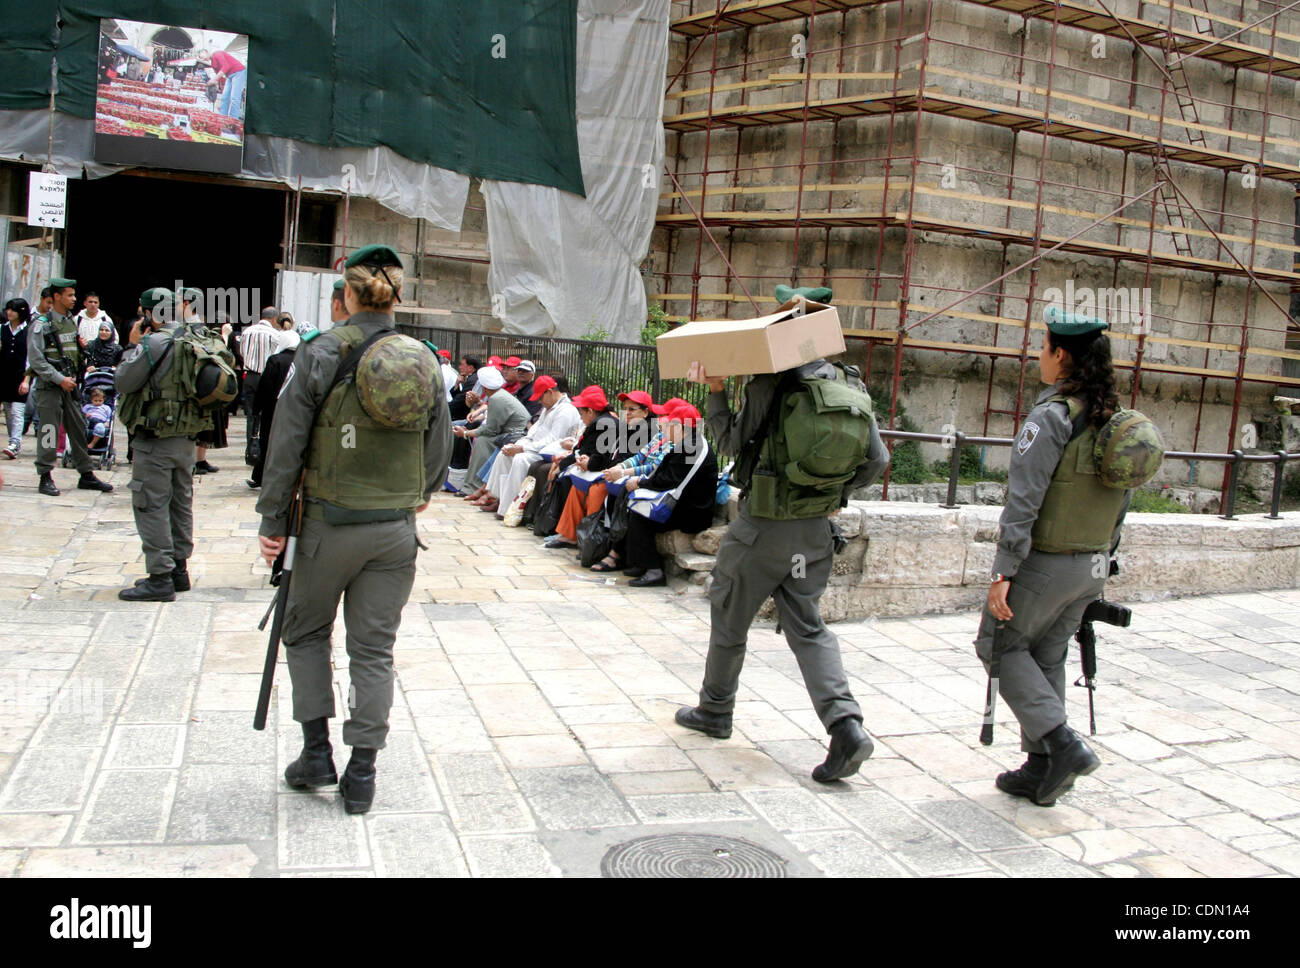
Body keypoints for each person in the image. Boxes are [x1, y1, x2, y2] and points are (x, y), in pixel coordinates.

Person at [257, 244, 451, 815]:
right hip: (394, 532)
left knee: (307, 633)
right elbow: (438, 448)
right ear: (395, 299)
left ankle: (316, 754)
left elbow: (286, 442)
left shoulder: (320, 352)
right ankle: (363, 772)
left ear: (344, 296)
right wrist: (417, 497)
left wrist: (272, 520)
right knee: (374, 650)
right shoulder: (423, 358)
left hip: (325, 527)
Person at [676, 347, 888, 783]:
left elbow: (732, 443)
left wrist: (716, 391)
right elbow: (878, 461)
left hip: (762, 534)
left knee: (730, 618)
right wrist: (832, 494)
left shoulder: (769, 384)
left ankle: (715, 710)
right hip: (810, 541)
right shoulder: (850, 385)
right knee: (808, 627)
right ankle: (845, 725)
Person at [974, 311, 1130, 807]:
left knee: (997, 646)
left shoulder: (1051, 417)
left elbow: (1024, 502)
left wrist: (1003, 571)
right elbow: (1124, 500)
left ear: (1060, 355)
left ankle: (1062, 746)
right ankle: (1040, 765)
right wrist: (1104, 559)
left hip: (1046, 563)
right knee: (1047, 656)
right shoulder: (1114, 419)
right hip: (1091, 566)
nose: (1038, 356)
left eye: (1042, 347)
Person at [115, 288, 230, 601]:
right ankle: (179, 570)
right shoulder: (195, 338)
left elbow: (123, 381)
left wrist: (132, 345)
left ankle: (160, 577)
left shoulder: (153, 342)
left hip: (155, 439)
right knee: (180, 503)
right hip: (187, 440)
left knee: (150, 504)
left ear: (150, 313)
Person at [610, 402, 718, 587]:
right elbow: (664, 475)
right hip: (686, 503)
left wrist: (639, 482)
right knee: (634, 507)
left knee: (640, 515)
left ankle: (653, 570)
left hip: (692, 511)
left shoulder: (689, 447)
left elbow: (666, 479)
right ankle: (639, 563)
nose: (664, 427)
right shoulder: (688, 443)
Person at [26, 278, 114, 497]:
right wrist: (58, 379)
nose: (74, 299)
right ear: (56, 297)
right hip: (50, 387)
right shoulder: (40, 324)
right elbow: (37, 360)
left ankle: (86, 473)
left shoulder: (70, 321)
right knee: (49, 431)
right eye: (70, 295)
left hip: (70, 385)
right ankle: (45, 475)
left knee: (78, 427)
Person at [479, 375, 579, 515]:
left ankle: (514, 506)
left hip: (549, 452)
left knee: (520, 460)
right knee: (504, 455)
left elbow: (553, 439)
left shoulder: (566, 410)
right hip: (534, 447)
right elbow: (533, 432)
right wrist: (517, 445)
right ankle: (500, 499)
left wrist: (522, 448)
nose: (539, 401)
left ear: (550, 392)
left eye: (540, 398)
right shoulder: (548, 407)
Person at [455, 366, 529, 497]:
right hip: (508, 434)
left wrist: (465, 434)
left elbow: (490, 430)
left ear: (483, 387)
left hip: (514, 436)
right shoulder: (499, 395)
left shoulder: (497, 398)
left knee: (483, 441)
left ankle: (473, 485)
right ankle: (470, 483)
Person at [239, 307, 278, 464]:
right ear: (274, 319)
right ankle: (262, 448)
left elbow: (242, 352)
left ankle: (251, 448)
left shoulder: (247, 332)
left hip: (250, 376)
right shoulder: (275, 335)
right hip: (266, 377)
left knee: (251, 413)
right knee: (267, 414)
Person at [2, 298, 31, 459]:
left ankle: (14, 443)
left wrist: (26, 380)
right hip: (4, 377)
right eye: (8, 309)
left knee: (17, 411)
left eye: (13, 310)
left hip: (21, 377)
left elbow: (30, 358)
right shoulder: (2, 329)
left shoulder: (28, 332)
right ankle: (14, 442)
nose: (9, 312)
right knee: (8, 411)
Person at [198, 47, 247, 119]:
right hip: (229, 76)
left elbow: (226, 66)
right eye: (201, 59)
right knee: (224, 97)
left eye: (202, 56)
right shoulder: (213, 64)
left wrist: (214, 79)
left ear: (206, 52)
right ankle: (222, 118)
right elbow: (220, 77)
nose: (203, 59)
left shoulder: (217, 54)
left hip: (238, 72)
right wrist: (217, 84)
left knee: (234, 98)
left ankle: (233, 120)